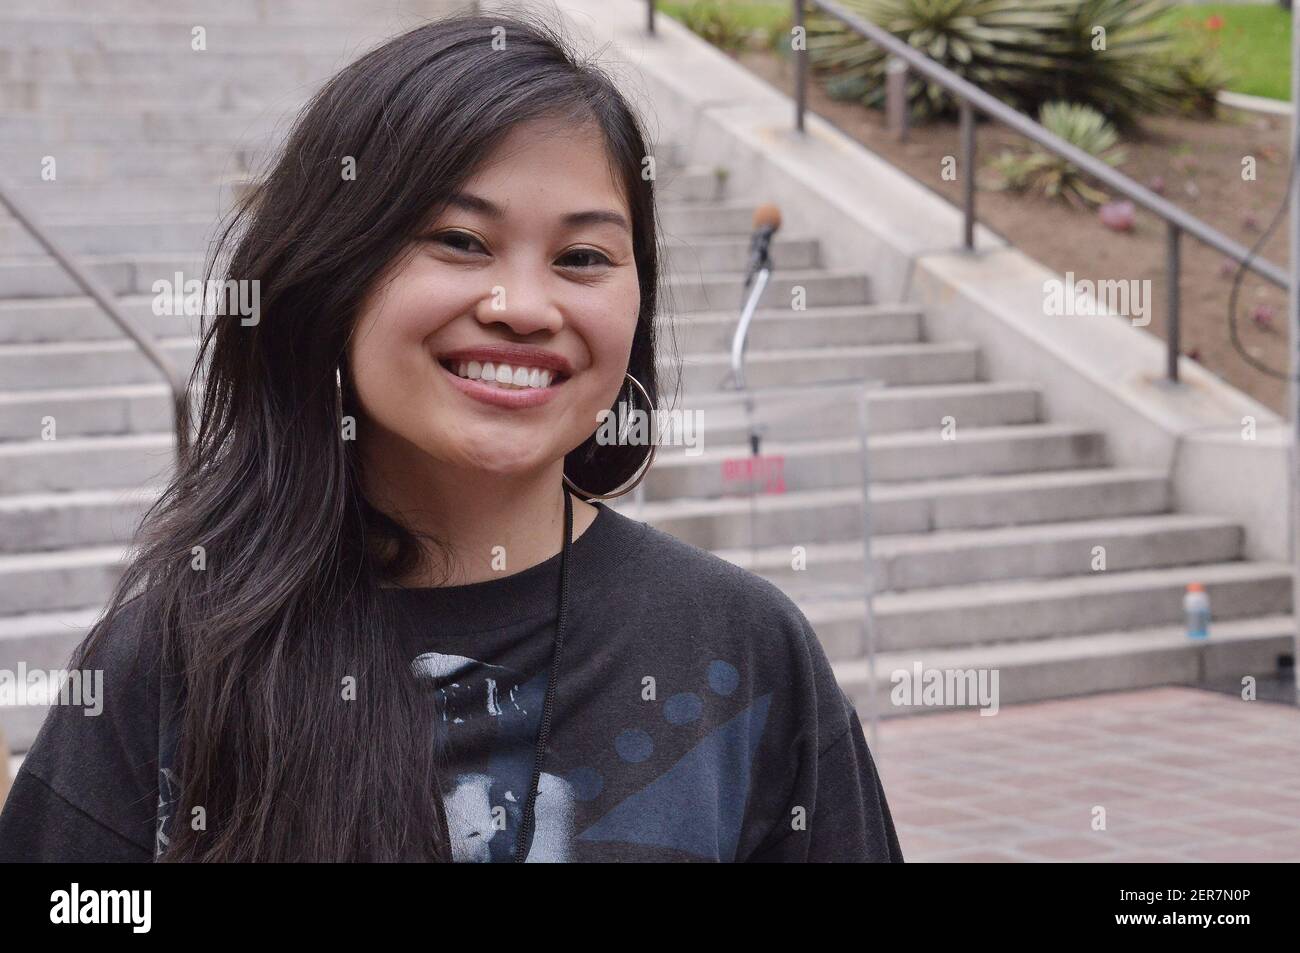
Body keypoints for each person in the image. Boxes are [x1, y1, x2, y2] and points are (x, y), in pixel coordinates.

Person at [0, 12, 902, 863]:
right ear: (332, 273)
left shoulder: (741, 650)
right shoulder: (175, 655)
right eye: (462, 240)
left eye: (583, 256)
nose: (522, 308)